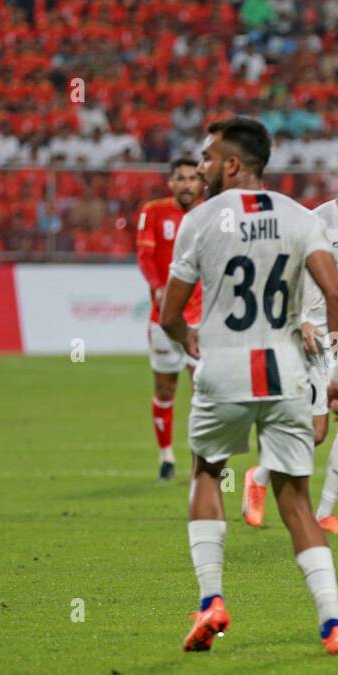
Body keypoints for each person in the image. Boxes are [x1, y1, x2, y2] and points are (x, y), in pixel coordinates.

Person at [160, 116, 338, 653]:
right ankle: (334, 624)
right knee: (295, 498)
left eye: (207, 158)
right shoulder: (299, 218)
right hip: (287, 372)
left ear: (231, 164)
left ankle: (211, 601)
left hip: (223, 367)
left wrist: (190, 344)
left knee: (207, 471)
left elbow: (170, 312)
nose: (200, 168)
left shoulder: (200, 220)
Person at [242, 152, 338, 533]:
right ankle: (258, 478)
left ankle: (325, 512)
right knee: (318, 431)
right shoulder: (316, 222)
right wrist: (299, 320)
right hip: (313, 331)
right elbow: (286, 273)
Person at [135, 159, 205, 479]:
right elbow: (145, 256)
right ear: (171, 182)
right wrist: (158, 288)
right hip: (163, 317)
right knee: (165, 389)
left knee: (204, 390)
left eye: (193, 178)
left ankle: (200, 460)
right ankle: (166, 457)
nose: (188, 184)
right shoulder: (153, 212)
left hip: (202, 317)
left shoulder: (211, 213)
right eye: (182, 178)